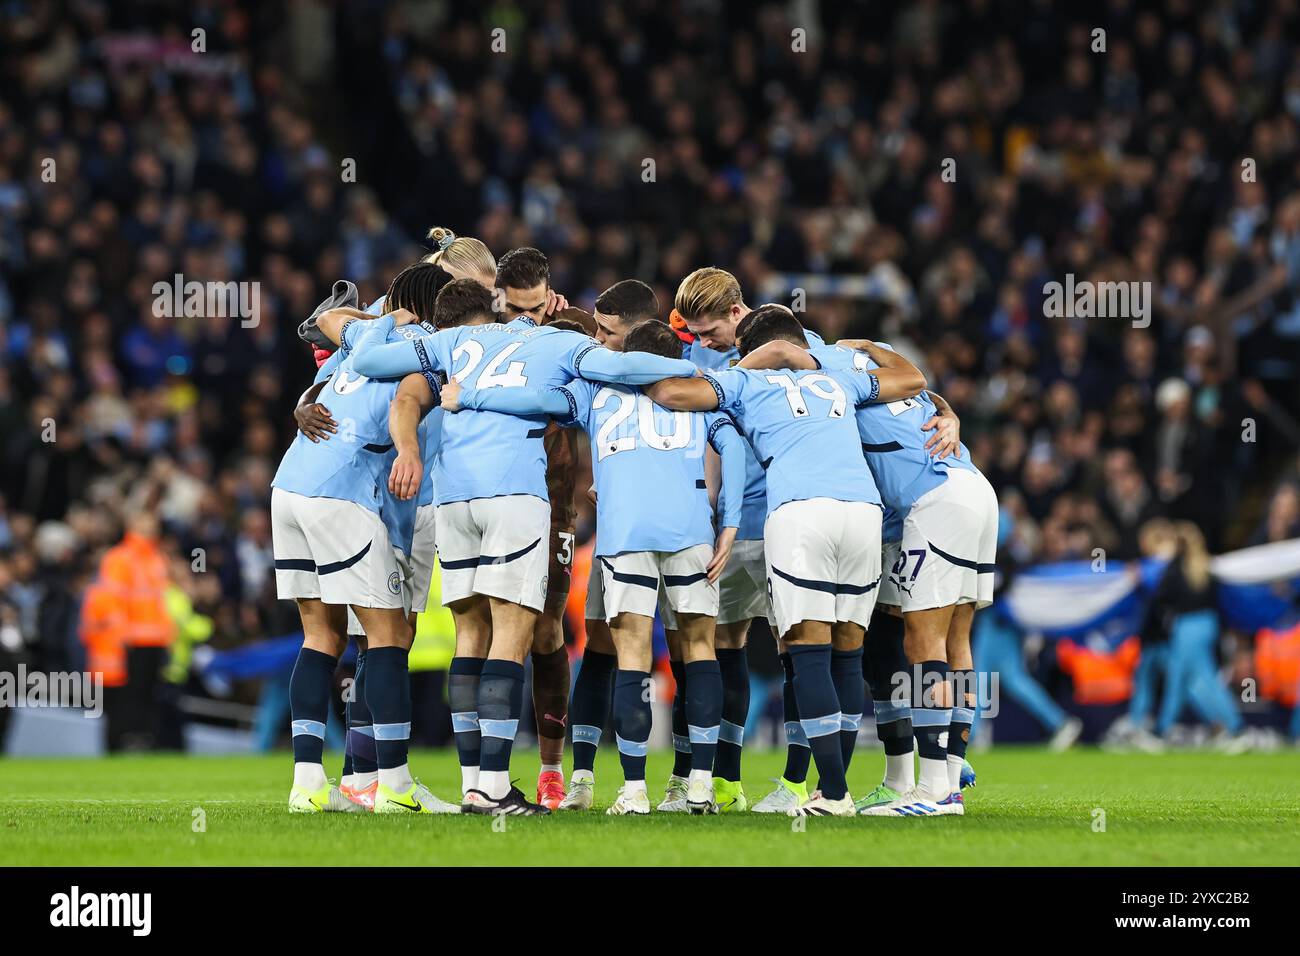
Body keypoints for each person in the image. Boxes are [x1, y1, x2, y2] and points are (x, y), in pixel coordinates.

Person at [334, 270, 697, 813]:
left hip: (453, 496)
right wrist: (688, 369)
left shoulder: (457, 339)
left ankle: (472, 779)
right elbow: (622, 369)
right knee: (515, 629)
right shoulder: (563, 341)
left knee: (470, 633)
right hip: (514, 494)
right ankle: (494, 787)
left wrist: (385, 319)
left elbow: (367, 362)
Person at [441, 318, 747, 814]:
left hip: (626, 533)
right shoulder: (699, 394)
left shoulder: (597, 395)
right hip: (690, 530)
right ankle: (700, 789)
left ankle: (633, 792)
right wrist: (729, 522)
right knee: (699, 649)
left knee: (631, 657)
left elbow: (535, 401)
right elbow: (733, 448)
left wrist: (470, 396)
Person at [644, 305, 926, 815]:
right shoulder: (836, 378)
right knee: (849, 650)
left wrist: (747, 365)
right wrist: (864, 346)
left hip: (800, 512)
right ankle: (825, 790)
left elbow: (669, 393)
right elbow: (912, 379)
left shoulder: (744, 384)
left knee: (807, 649)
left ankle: (833, 794)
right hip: (863, 511)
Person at [737, 306, 999, 817]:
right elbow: (920, 386)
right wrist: (947, 409)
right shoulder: (856, 361)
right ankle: (947, 767)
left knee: (922, 640)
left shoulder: (815, 372)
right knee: (955, 638)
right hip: (971, 485)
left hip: (932, 498)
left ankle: (938, 788)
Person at [667, 267, 826, 811]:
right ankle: (729, 782)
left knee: (796, 648)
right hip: (727, 531)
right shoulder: (694, 359)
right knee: (724, 646)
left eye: (709, 331)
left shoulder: (794, 344)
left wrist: (945, 413)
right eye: (694, 333)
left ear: (738, 313)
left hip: (788, 517)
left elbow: (858, 369)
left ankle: (797, 783)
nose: (703, 343)